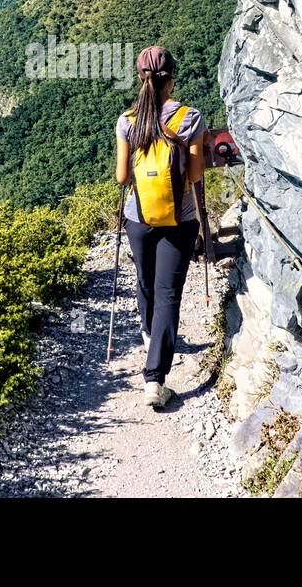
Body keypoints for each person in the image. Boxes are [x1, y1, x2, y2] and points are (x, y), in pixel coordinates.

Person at [114, 45, 205, 408]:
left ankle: (150, 333)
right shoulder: (190, 118)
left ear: (140, 78)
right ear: (172, 77)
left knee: (145, 280)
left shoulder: (127, 121)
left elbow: (122, 177)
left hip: (139, 218)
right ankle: (155, 380)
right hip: (179, 219)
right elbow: (196, 175)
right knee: (168, 292)